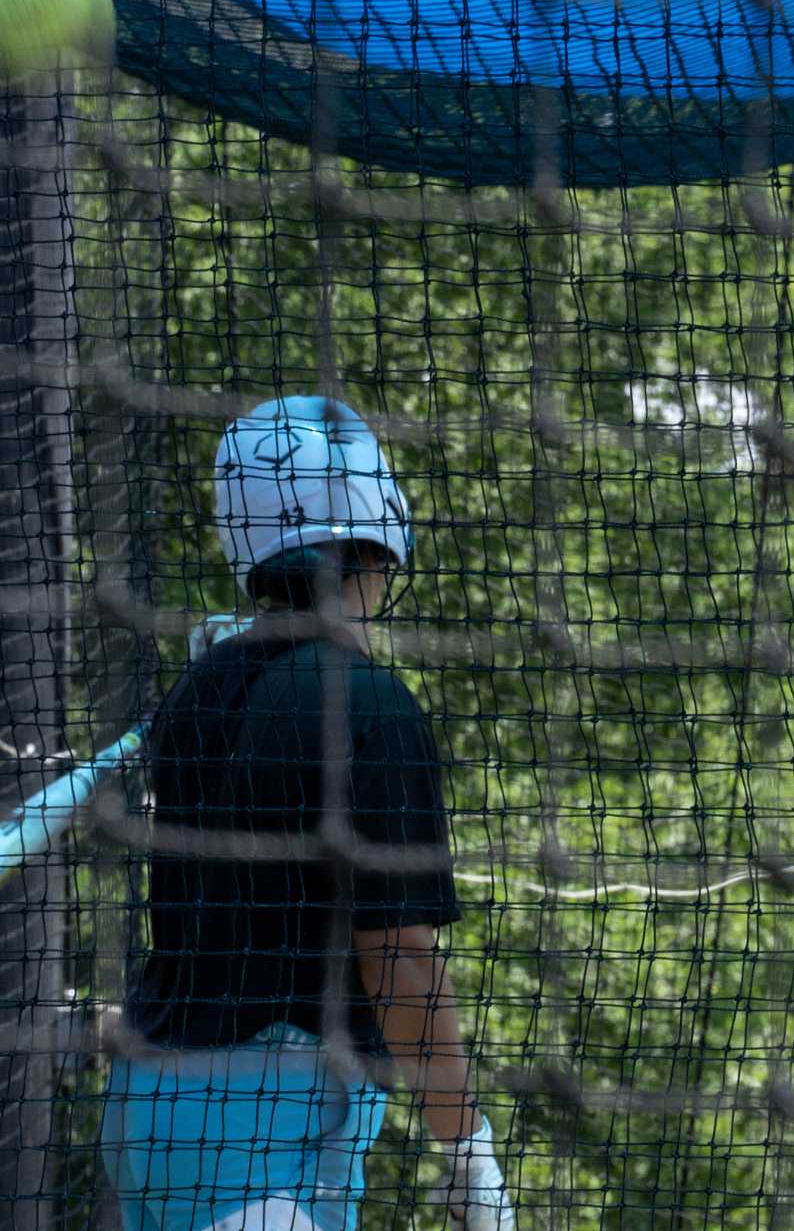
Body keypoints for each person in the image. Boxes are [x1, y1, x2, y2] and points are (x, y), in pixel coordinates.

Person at [101, 396, 514, 1231]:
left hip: (146, 1120)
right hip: (263, 1144)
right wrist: (468, 1150)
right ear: (374, 529)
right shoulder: (367, 704)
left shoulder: (197, 690)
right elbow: (398, 959)